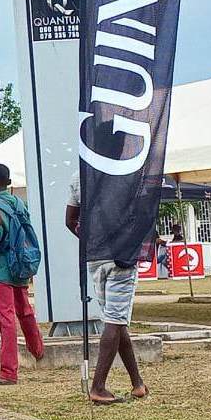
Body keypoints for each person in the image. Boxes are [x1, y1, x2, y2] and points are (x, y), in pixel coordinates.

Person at [66, 172, 148, 404]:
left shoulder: (78, 175)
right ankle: (98, 387)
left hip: (96, 257)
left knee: (115, 319)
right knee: (114, 320)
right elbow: (142, 214)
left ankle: (137, 383)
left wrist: (92, 239)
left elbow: (70, 220)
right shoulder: (127, 173)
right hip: (121, 256)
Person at [0, 164, 44, 384]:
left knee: (6, 319)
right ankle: (37, 350)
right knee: (25, 311)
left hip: (1, 271)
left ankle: (8, 371)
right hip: (21, 266)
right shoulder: (18, 203)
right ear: (8, 183)